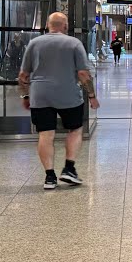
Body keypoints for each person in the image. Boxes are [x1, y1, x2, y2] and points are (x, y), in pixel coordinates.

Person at [17, 12, 99, 190]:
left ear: (48, 25)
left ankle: (49, 177)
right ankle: (69, 169)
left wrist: (25, 96)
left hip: (40, 95)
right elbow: (83, 73)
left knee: (45, 134)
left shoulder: (34, 43)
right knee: (75, 129)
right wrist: (92, 96)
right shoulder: (74, 43)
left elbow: (23, 75)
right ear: (65, 26)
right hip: (68, 94)